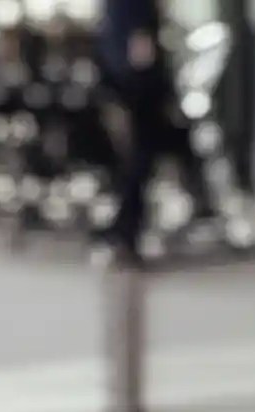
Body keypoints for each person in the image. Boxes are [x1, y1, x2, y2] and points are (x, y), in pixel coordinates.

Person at [96, 0, 212, 263]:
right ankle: (126, 231)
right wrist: (160, 92)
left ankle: (124, 228)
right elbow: (140, 48)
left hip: (129, 86)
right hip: (141, 92)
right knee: (142, 161)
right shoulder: (136, 9)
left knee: (149, 159)